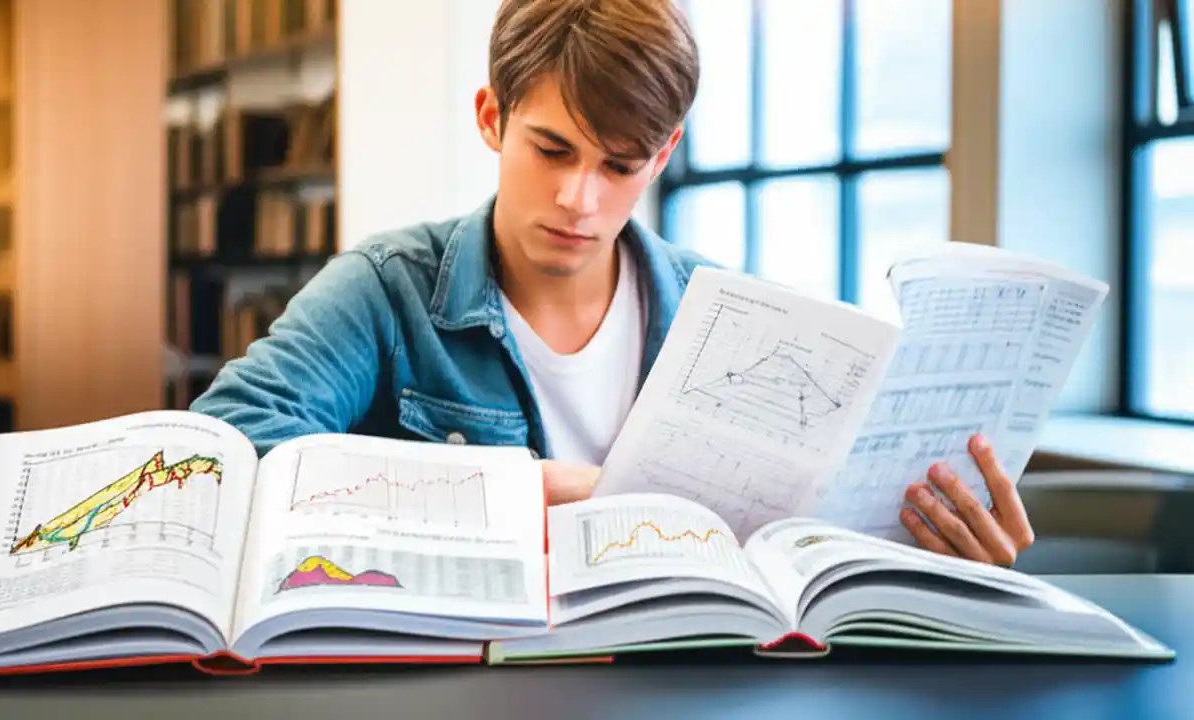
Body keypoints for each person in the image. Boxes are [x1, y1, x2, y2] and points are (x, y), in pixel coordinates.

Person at [191, 0, 1035, 568]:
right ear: (493, 118)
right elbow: (219, 447)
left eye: (620, 165)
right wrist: (517, 489)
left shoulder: (728, 313)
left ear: (662, 157)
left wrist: (936, 552)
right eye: (552, 149)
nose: (578, 199)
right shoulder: (388, 289)